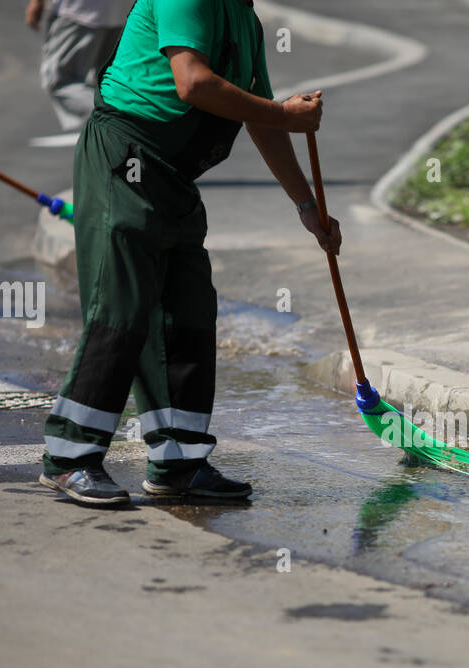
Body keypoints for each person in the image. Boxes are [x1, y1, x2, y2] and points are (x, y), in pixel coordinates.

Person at [41, 0, 340, 506]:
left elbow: (260, 119)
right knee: (122, 304)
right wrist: (284, 114)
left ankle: (180, 461)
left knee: (188, 311)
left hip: (173, 177)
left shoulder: (245, 20)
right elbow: (193, 82)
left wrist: (306, 205)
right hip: (125, 156)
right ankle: (71, 457)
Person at [25, 0, 131, 131]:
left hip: (80, 10)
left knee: (61, 81)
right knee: (107, 82)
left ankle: (121, 125)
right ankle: (121, 128)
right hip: (121, 10)